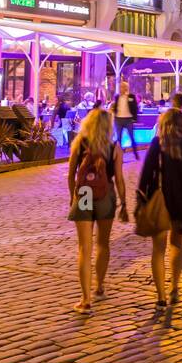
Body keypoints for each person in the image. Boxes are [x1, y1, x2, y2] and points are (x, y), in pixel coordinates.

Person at [137, 104, 182, 308]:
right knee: (177, 244)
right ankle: (175, 287)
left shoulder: (157, 144)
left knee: (158, 249)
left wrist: (141, 201)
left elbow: (145, 176)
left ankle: (161, 296)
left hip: (160, 201)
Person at [66, 109, 127, 315]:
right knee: (103, 243)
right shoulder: (114, 148)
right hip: (105, 195)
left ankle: (85, 300)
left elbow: (71, 174)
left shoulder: (79, 143)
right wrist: (124, 203)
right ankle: (99, 286)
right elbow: (119, 178)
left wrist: (72, 196)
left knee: (84, 248)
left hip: (83, 194)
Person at [112, 80, 140, 157]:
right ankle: (119, 155)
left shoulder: (131, 96)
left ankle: (135, 152)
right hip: (118, 119)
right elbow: (115, 107)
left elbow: (135, 107)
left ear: (126, 88)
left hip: (128, 119)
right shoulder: (117, 97)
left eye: (123, 87)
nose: (122, 88)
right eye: (121, 87)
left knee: (132, 137)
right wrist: (114, 115)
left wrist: (134, 118)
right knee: (119, 139)